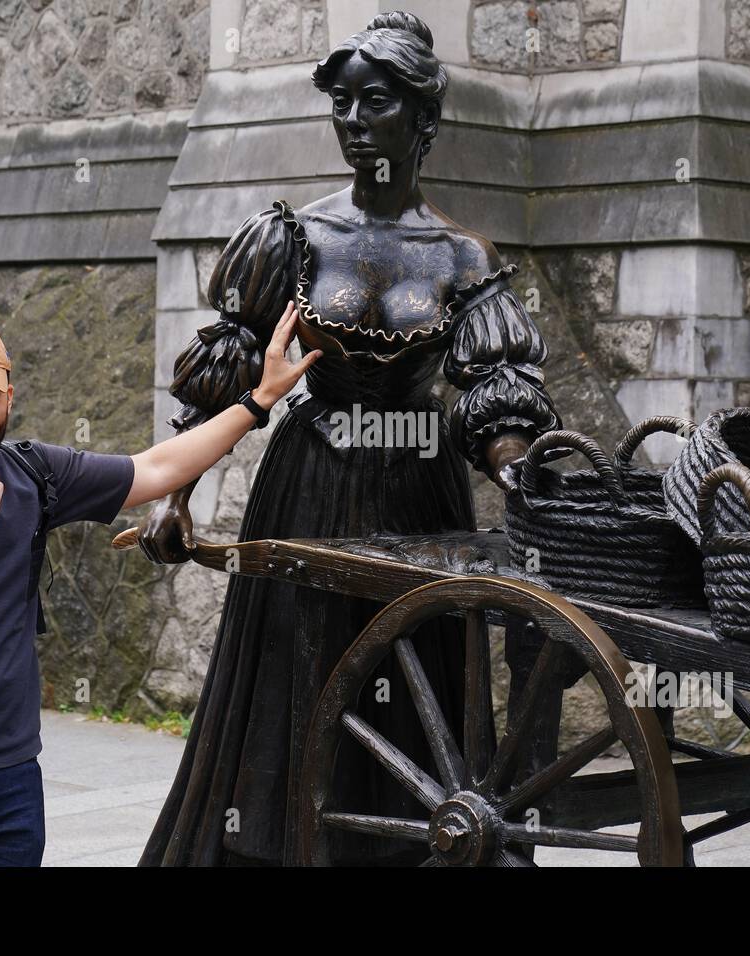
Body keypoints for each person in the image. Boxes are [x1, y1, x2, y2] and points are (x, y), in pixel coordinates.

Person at [137, 11, 562, 866]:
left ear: (424, 120)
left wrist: (521, 480)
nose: (354, 120)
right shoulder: (291, 239)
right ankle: (282, 847)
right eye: (342, 103)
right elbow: (225, 378)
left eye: (376, 102)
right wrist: (173, 502)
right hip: (312, 489)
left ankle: (407, 849)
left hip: (420, 495)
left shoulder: (460, 258)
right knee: (299, 689)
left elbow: (500, 398)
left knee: (418, 697)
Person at [0, 312, 316, 866]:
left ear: (9, 395)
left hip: (11, 781)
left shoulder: (34, 473)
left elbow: (155, 469)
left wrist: (258, 401)